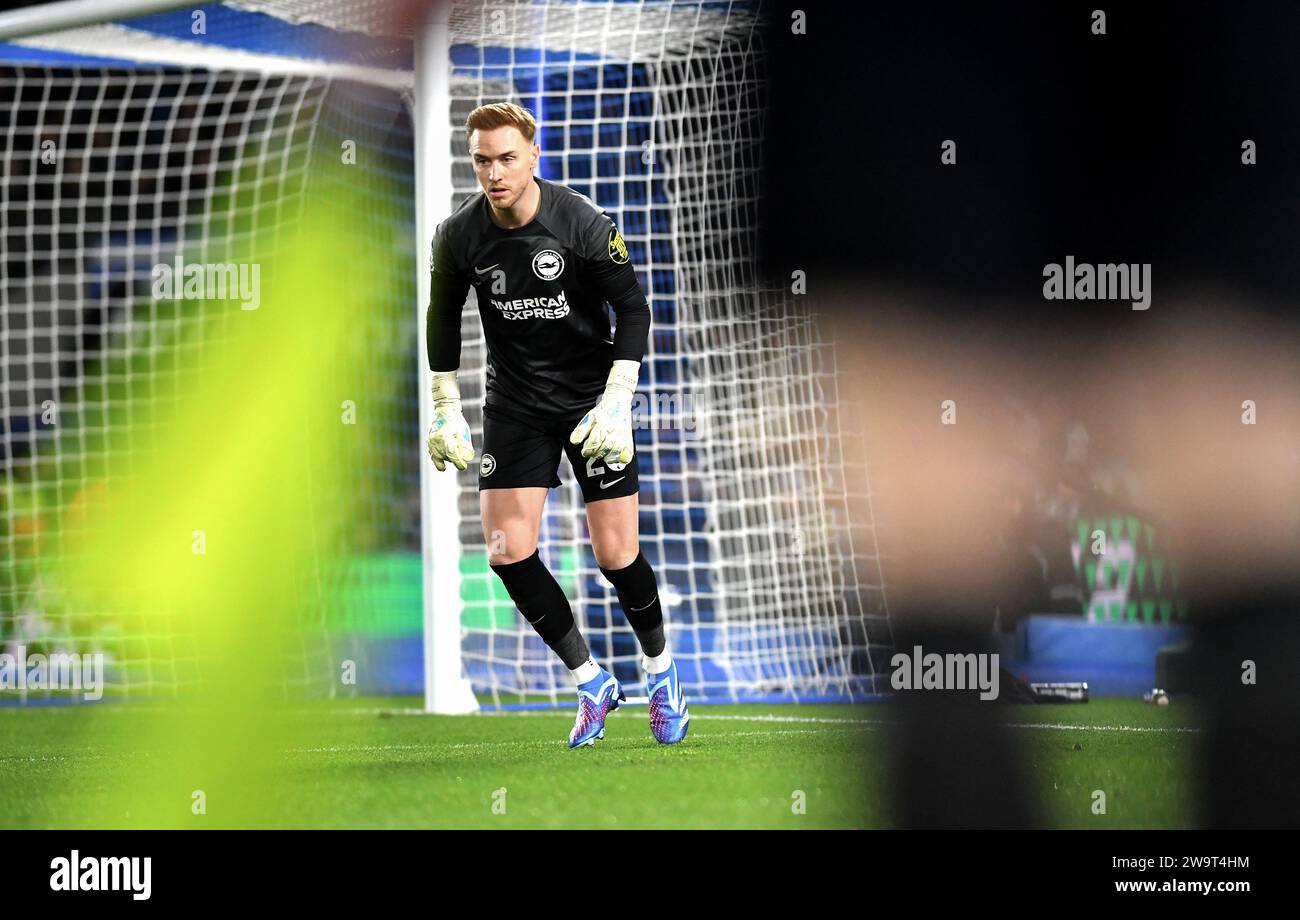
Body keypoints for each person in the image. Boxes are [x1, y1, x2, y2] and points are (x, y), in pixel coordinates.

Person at [424, 103, 688, 747]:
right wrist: (443, 406)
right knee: (506, 549)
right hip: (515, 405)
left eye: (507, 157)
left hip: (592, 402)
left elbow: (632, 308)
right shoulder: (458, 235)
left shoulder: (581, 221)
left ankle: (661, 674)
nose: (494, 172)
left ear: (532, 157)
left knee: (615, 555)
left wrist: (619, 397)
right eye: (482, 160)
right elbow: (441, 318)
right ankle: (591, 680)